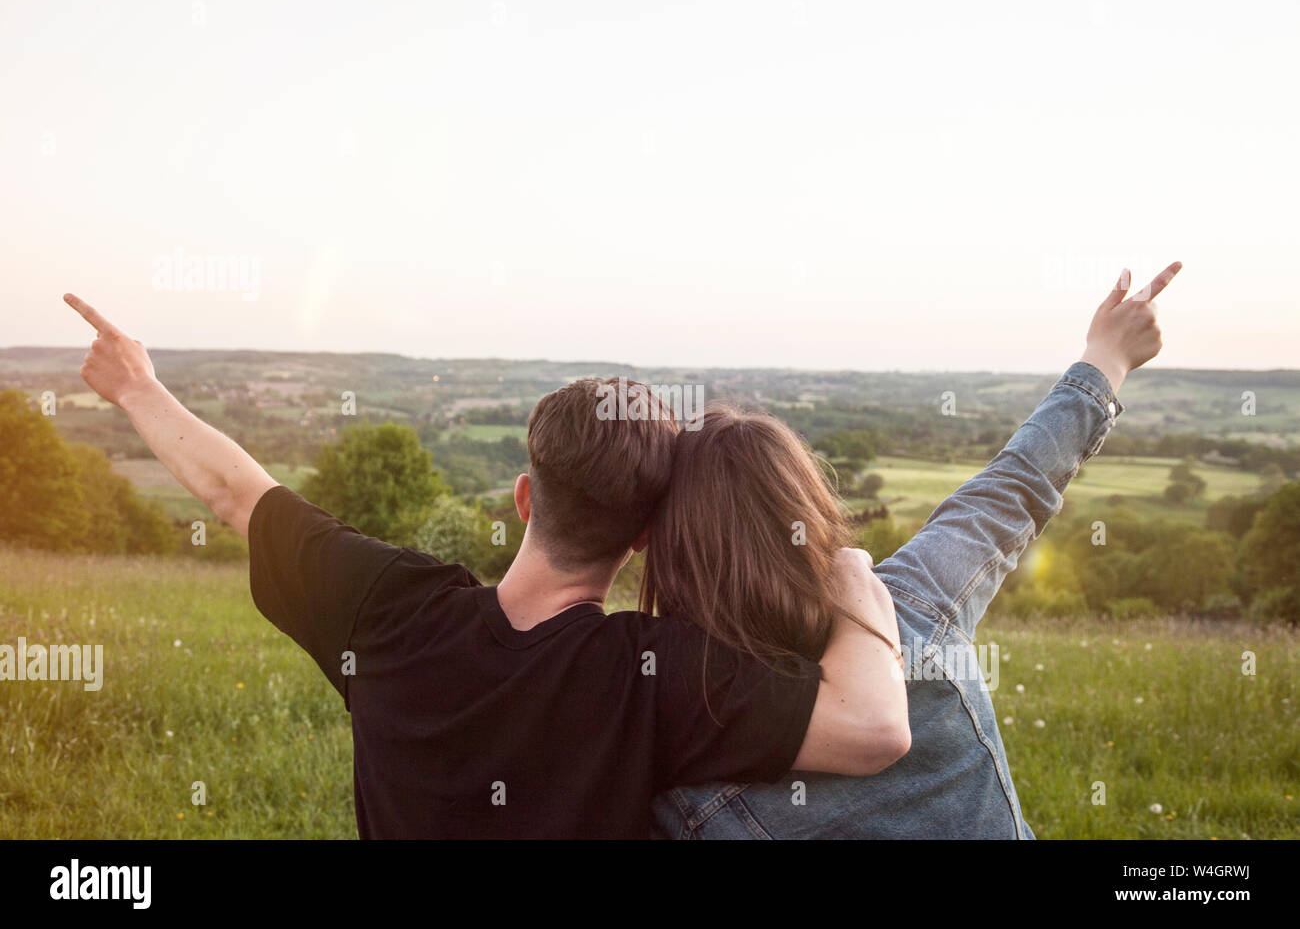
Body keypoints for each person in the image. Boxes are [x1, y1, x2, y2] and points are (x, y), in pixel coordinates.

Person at [62, 294, 910, 838]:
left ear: (524, 497)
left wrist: (136, 385)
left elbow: (237, 495)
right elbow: (876, 729)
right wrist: (850, 574)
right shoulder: (655, 675)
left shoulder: (387, 608)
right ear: (643, 536)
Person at [647, 263, 1182, 838]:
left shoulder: (678, 763)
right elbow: (1018, 483)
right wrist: (1107, 357)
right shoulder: (915, 600)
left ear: (674, 551)